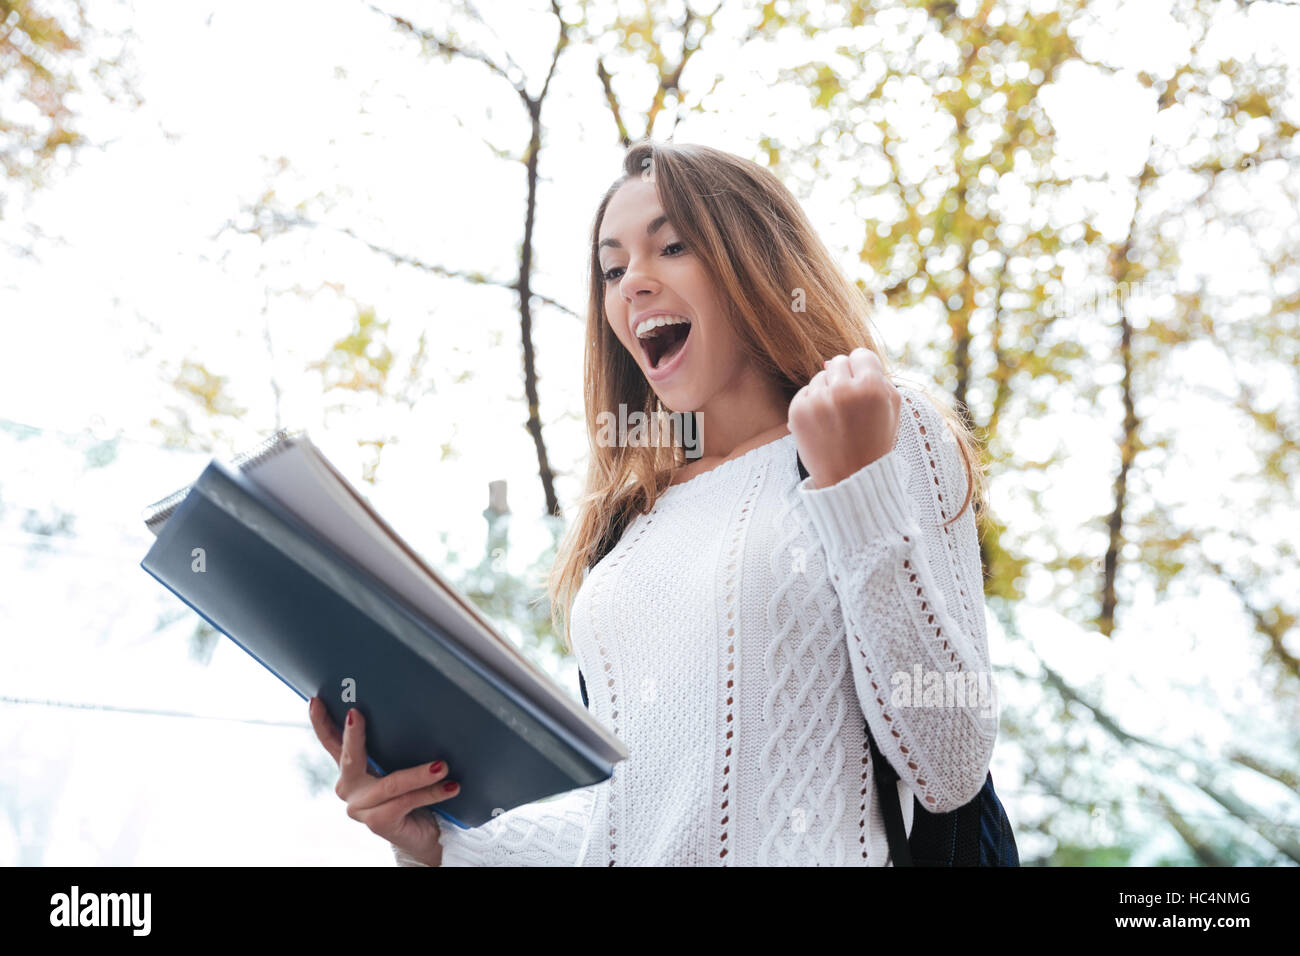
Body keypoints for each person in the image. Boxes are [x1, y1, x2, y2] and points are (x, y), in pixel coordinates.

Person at [309, 139, 1000, 866]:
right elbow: (628, 820)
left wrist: (854, 488)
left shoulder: (878, 425)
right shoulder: (628, 524)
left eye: (671, 247)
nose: (631, 284)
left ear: (757, 265)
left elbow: (951, 765)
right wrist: (440, 843)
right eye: (612, 268)